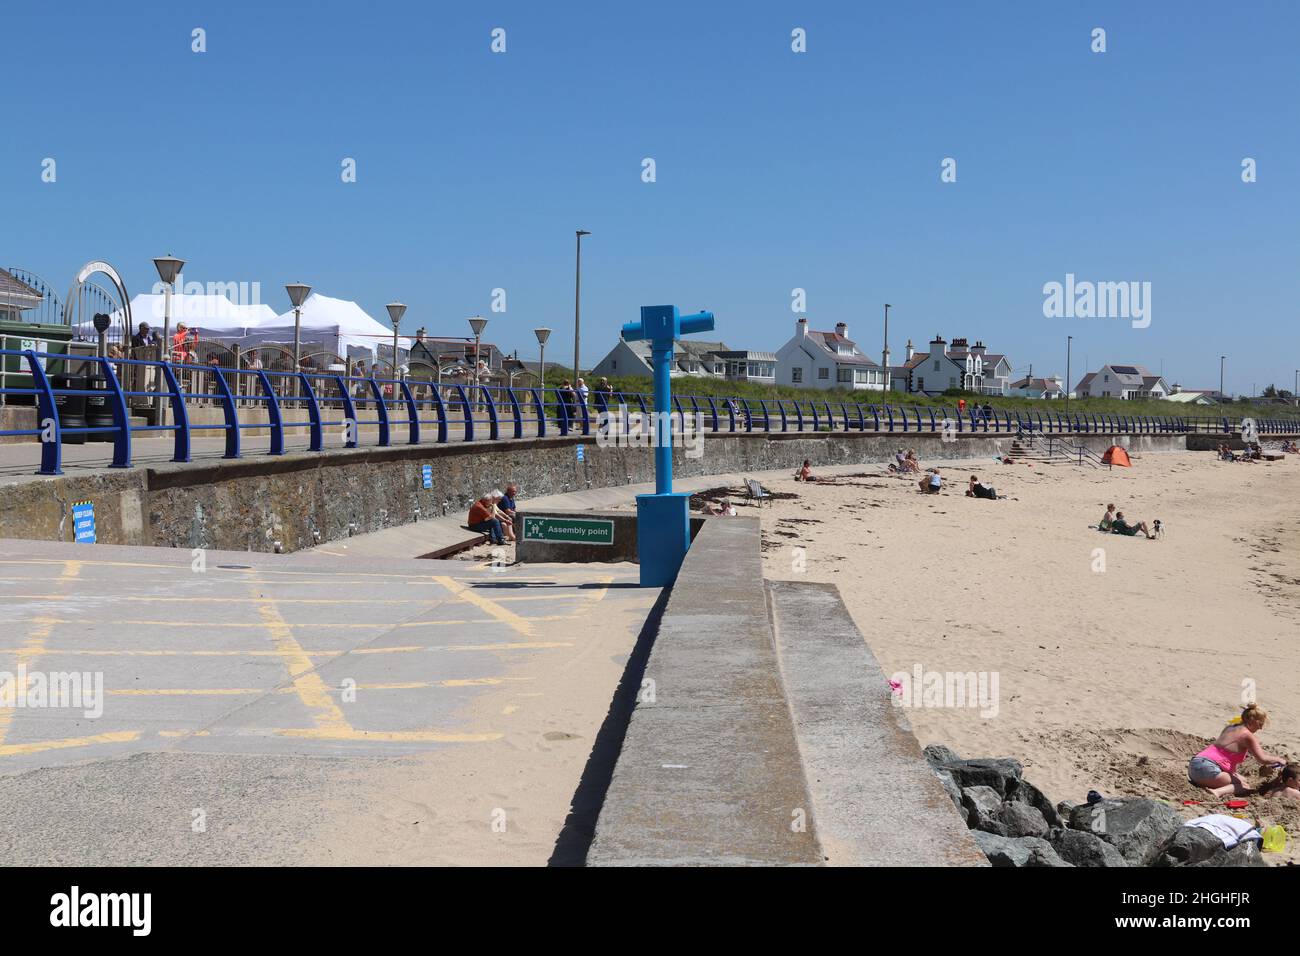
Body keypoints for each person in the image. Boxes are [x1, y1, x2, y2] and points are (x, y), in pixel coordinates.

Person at [1187, 704, 1288, 798]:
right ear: (1253, 721)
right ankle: (1217, 792)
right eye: (1260, 723)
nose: (1260, 728)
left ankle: (1211, 784)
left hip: (1194, 766)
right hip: (1207, 770)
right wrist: (1279, 760)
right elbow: (1262, 759)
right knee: (1244, 786)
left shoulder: (1230, 727)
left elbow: (1224, 755)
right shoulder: (1247, 735)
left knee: (1243, 779)